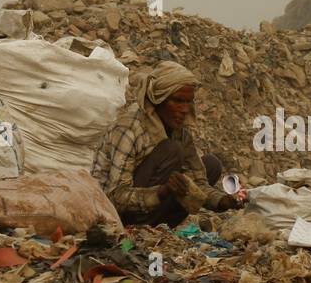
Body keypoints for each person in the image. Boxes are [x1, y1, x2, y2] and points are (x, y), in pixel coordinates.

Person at [92, 60, 237, 227]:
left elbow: (198, 183)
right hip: (114, 214)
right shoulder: (129, 129)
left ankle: (158, 227)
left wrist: (222, 201)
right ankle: (138, 227)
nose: (185, 109)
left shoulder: (180, 133)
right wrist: (162, 191)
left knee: (212, 165)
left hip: (153, 213)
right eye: (178, 101)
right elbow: (116, 196)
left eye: (188, 102)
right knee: (172, 150)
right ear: (158, 99)